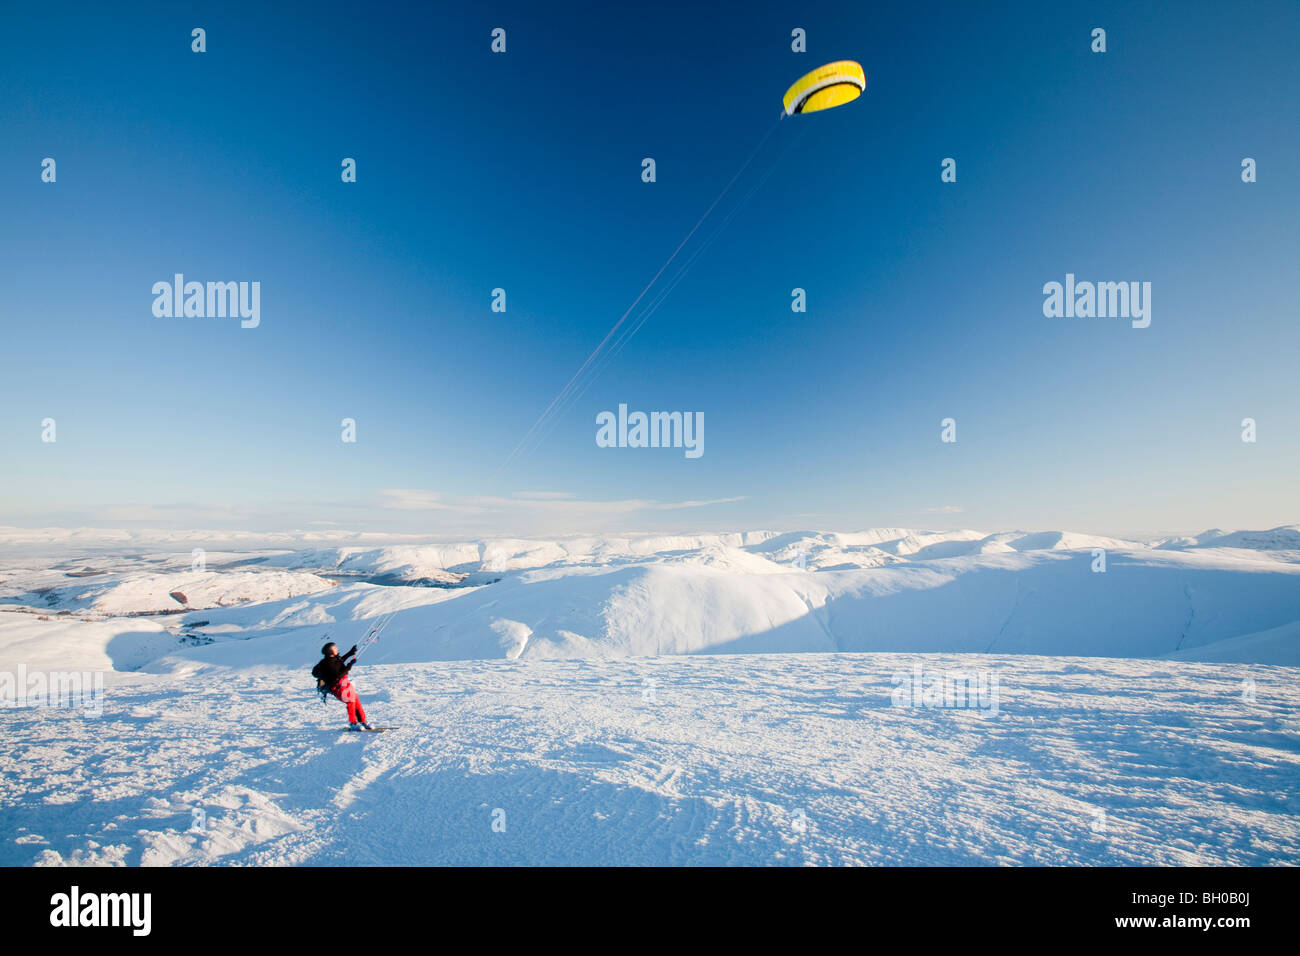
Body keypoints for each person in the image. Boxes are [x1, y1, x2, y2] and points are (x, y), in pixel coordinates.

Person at [312, 642, 373, 731]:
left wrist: (350, 652)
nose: (337, 649)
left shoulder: (333, 659)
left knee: (356, 702)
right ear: (331, 652)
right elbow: (338, 674)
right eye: (335, 648)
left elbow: (340, 661)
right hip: (338, 687)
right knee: (350, 701)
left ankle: (363, 721)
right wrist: (349, 666)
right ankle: (353, 723)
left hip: (345, 684)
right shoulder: (327, 664)